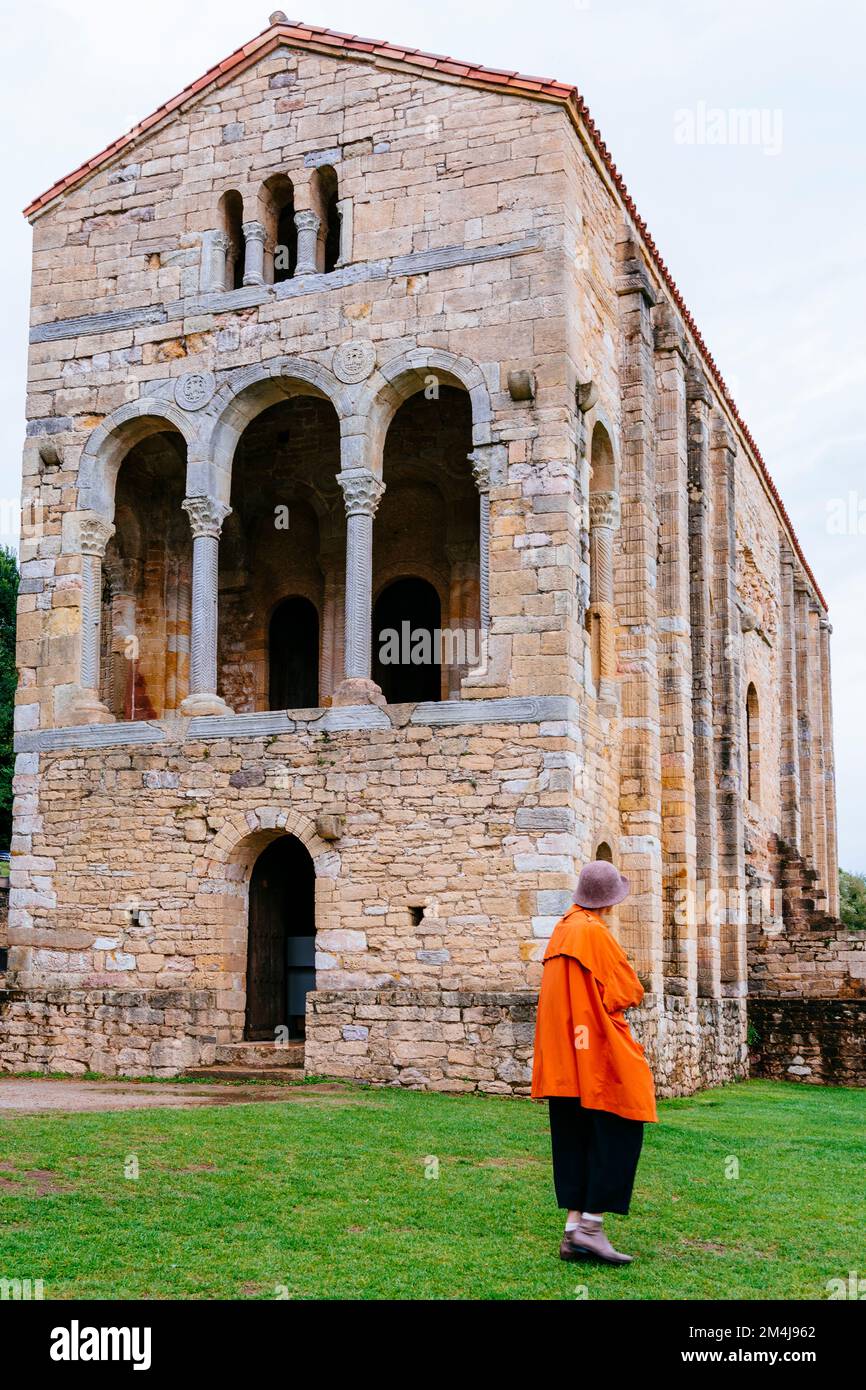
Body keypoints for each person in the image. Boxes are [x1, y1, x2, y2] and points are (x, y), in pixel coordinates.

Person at [531, 860, 658, 1265]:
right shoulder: (594, 934)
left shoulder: (562, 931)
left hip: (564, 1056)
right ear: (610, 902)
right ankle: (590, 1227)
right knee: (620, 1123)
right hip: (598, 1051)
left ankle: (573, 1231)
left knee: (575, 1134)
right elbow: (627, 992)